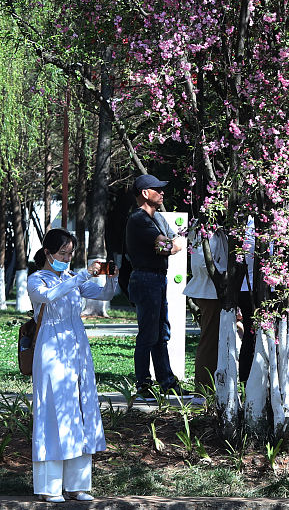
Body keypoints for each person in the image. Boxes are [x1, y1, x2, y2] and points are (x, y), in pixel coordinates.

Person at [28, 228, 118, 503]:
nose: (67, 258)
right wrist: (80, 275)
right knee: (54, 410)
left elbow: (104, 295)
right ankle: (49, 487)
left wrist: (112, 277)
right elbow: (49, 296)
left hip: (77, 345)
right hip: (51, 347)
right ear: (48, 253)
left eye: (70, 254)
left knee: (81, 407)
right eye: (62, 253)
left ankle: (77, 485)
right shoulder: (36, 280)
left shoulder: (72, 278)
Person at [123, 173, 186, 397]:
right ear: (145, 193)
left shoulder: (155, 217)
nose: (162, 192)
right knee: (148, 334)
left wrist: (171, 244)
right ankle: (143, 384)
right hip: (146, 278)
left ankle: (167, 382)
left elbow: (170, 241)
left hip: (157, 278)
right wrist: (172, 245)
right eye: (157, 189)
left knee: (160, 333)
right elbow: (166, 246)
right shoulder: (139, 219)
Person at [181, 230, 229, 393]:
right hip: (209, 290)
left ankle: (210, 385)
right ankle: (204, 388)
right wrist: (224, 277)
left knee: (214, 339)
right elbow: (203, 262)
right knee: (210, 340)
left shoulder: (215, 229)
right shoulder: (206, 228)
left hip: (212, 289)